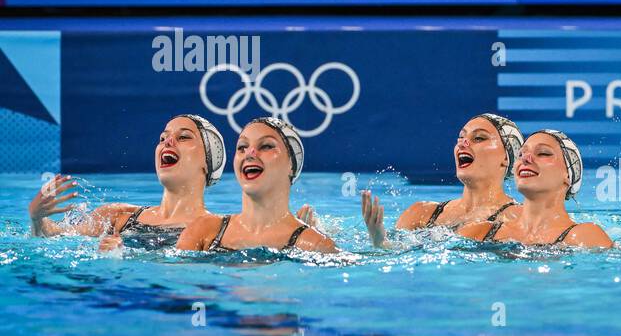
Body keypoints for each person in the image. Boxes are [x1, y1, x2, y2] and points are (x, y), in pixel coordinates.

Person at [27, 114, 224, 249]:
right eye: (163, 138)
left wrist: (124, 257)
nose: (167, 142)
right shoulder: (117, 216)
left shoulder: (218, 229)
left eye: (183, 137)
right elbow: (54, 237)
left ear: (208, 162)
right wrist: (37, 218)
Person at [358, 113, 522, 247]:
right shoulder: (421, 213)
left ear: (507, 158)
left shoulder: (519, 218)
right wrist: (379, 241)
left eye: (479, 138)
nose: (463, 143)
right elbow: (390, 255)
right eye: (461, 137)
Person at [177, 117, 336, 253]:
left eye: (266, 146)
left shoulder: (314, 244)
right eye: (242, 147)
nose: (250, 153)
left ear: (291, 165)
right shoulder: (203, 230)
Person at [459, 129, 612, 248]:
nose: (526, 158)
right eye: (521, 154)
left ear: (569, 175)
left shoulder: (583, 235)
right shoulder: (481, 232)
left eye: (543, 153)